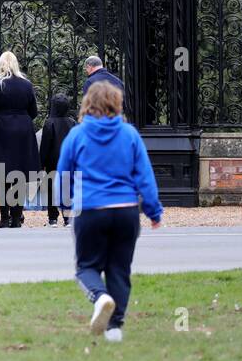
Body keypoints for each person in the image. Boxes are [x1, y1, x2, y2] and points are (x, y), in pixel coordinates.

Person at [56, 81, 163, 342]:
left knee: (86, 267)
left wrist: (64, 205)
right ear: (117, 103)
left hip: (90, 209)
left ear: (87, 104)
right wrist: (153, 210)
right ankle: (114, 329)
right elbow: (144, 176)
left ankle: (99, 296)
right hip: (126, 210)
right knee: (119, 270)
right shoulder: (130, 135)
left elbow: (63, 175)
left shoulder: (77, 135)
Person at [0, 50, 39, 228]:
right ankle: (17, 217)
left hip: (1, 131)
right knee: (19, 175)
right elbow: (34, 111)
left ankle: (4, 217)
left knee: (2, 175)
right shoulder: (26, 85)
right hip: (22, 130)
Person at [39, 93, 77, 226]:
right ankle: (67, 218)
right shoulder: (72, 122)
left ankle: (52, 218)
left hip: (52, 161)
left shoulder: (49, 123)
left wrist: (41, 162)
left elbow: (45, 145)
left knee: (51, 189)